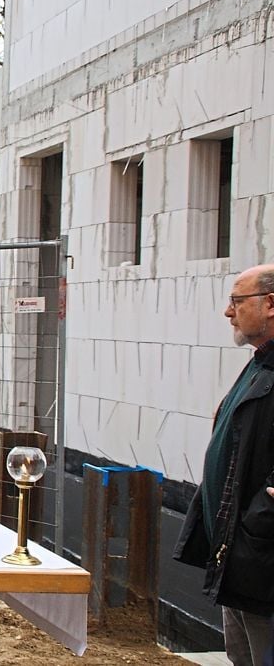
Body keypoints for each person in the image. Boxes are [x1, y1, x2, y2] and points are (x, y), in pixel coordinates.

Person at [174, 263, 274, 666]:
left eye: (236, 301)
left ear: (270, 304)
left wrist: (260, 518)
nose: (228, 312)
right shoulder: (259, 363)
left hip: (261, 558)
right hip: (239, 556)